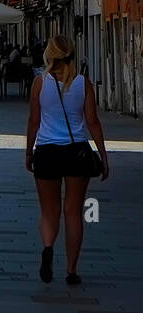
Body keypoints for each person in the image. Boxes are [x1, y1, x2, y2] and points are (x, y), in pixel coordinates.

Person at [26, 36, 110, 285]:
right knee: (73, 212)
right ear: (72, 55)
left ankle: (48, 247)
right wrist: (103, 156)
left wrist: (28, 152)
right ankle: (71, 271)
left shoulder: (39, 83)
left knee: (49, 211)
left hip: (47, 152)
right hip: (76, 153)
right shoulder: (83, 84)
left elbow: (34, 121)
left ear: (49, 56)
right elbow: (93, 122)